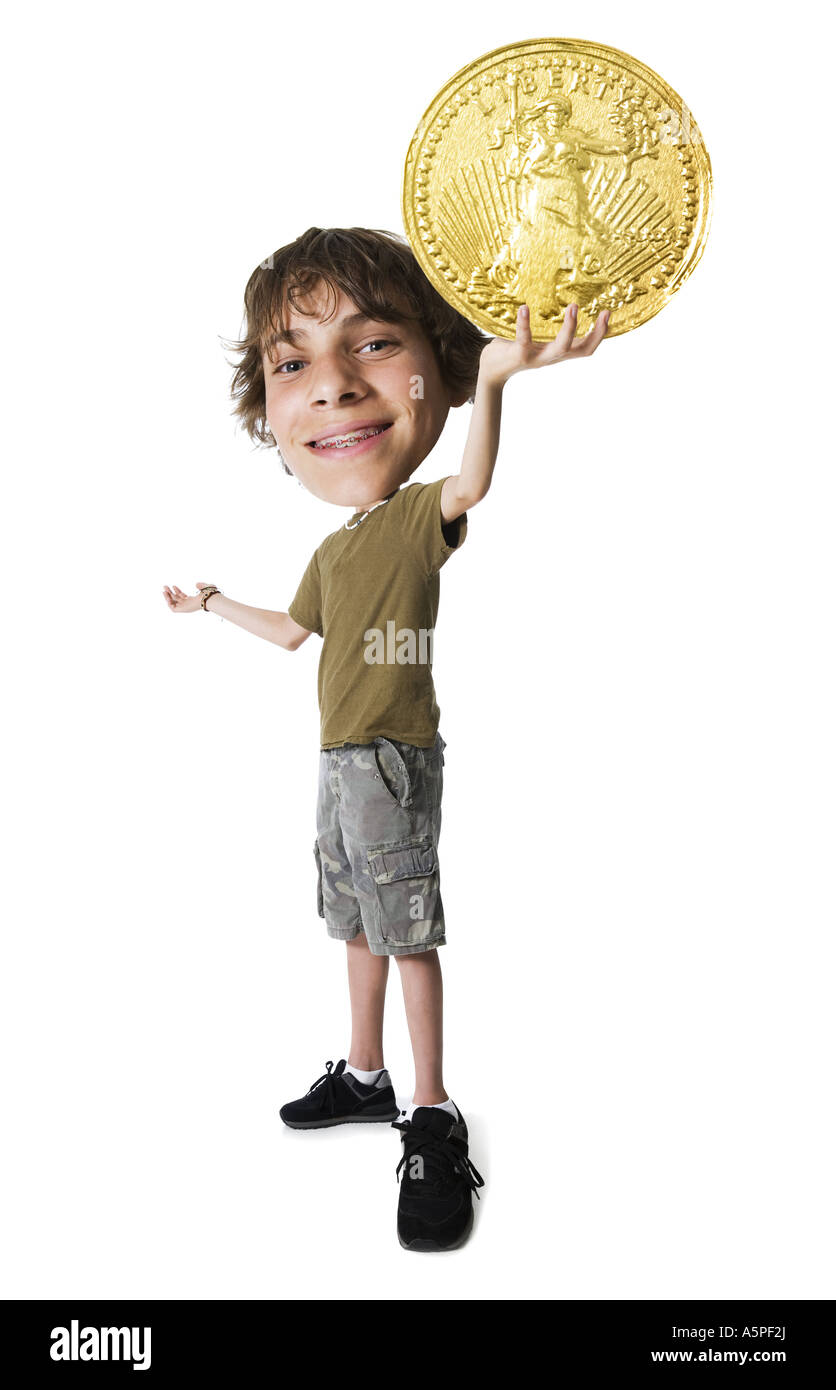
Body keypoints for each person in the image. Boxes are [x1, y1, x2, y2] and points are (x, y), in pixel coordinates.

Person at [163, 226, 610, 1251]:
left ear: (432, 380)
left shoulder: (416, 515)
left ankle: (432, 1112)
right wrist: (214, 600)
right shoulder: (330, 547)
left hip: (393, 759)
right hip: (334, 760)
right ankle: (365, 1075)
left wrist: (493, 383)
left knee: (406, 931)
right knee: (356, 921)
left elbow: (471, 485)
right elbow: (289, 633)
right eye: (293, 365)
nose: (329, 388)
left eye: (369, 348)